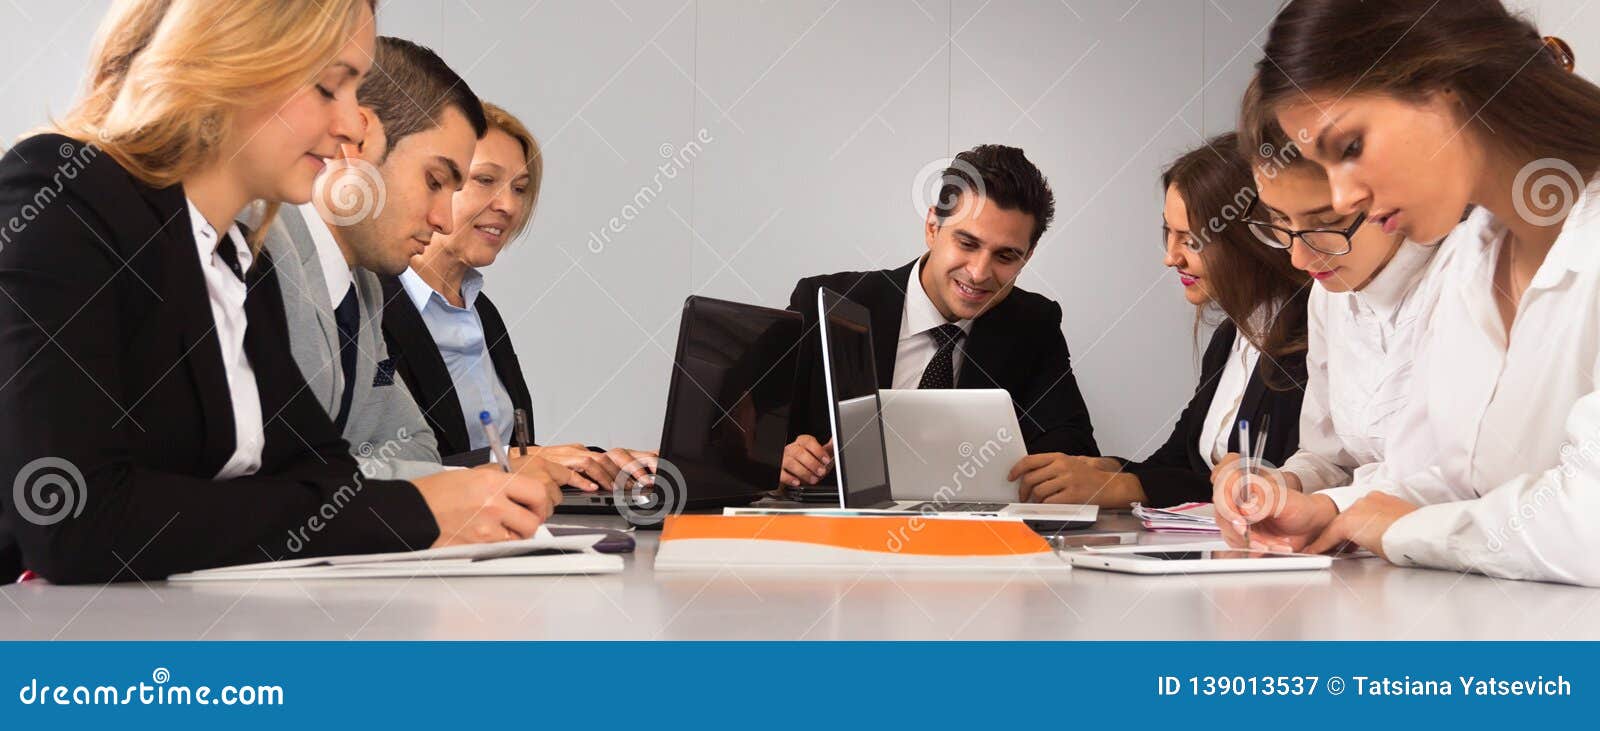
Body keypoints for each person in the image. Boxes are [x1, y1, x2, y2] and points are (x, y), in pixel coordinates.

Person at [0, 0, 564, 584]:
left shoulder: (240, 258)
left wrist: (386, 507)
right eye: (330, 87)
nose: (353, 127)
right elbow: (76, 521)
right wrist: (418, 511)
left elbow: (325, 478)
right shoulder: (63, 198)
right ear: (236, 62)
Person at [1215, 0, 1600, 586]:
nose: (1344, 200)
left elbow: (1586, 522)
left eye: (1349, 147)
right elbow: (1444, 478)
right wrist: (1330, 510)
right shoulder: (1475, 257)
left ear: (1449, 85)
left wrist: (1404, 530)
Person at [1014, 133, 1309, 508]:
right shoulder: (1229, 339)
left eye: (1190, 240)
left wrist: (1123, 487)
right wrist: (1105, 470)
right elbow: (1176, 466)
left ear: (1249, 238)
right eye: (1168, 233)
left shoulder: (1310, 335)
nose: (1171, 257)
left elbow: (1283, 480)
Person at [782, 144, 1099, 491]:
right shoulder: (824, 305)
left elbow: (1073, 449)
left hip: (970, 534)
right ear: (933, 227)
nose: (979, 273)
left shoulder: (1034, 326)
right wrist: (774, 460)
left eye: (1006, 256)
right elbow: (734, 433)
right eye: (967, 243)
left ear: (1028, 256)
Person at [382, 102, 654, 487]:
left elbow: (507, 455)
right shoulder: (370, 305)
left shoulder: (481, 312)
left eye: (520, 189)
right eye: (486, 180)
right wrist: (520, 459)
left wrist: (599, 465)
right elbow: (386, 467)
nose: (509, 205)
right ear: (436, 181)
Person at [1220, 79, 1457, 498]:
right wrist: (1278, 484)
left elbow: (1451, 477)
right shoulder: (1329, 295)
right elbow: (1329, 458)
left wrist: (1329, 509)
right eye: (1279, 221)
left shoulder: (1465, 274)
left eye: (1327, 224)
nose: (1298, 259)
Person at [259, 35, 480, 481]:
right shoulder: (257, 252)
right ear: (357, 139)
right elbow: (272, 472)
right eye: (435, 180)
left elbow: (419, 449)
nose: (444, 221)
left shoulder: (365, 290)